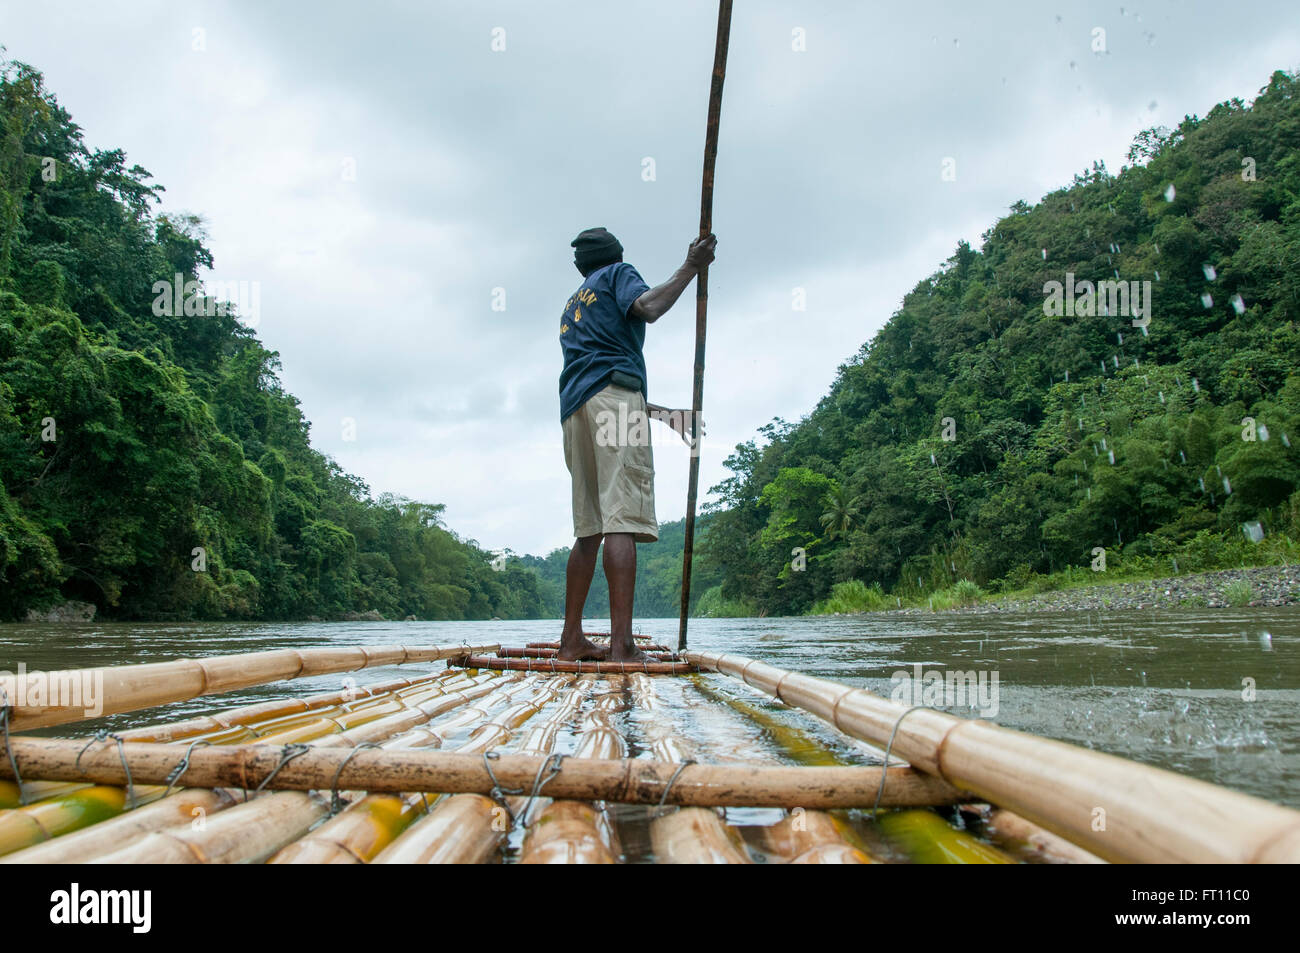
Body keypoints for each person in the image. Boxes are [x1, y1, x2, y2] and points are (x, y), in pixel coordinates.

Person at [557, 226, 717, 661]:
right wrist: (692, 266)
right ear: (616, 256)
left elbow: (602, 382)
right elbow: (648, 307)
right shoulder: (617, 274)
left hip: (574, 412)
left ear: (580, 266)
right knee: (620, 520)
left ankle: (570, 641)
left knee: (589, 529)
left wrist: (665, 415)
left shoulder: (574, 305)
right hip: (612, 404)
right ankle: (622, 646)